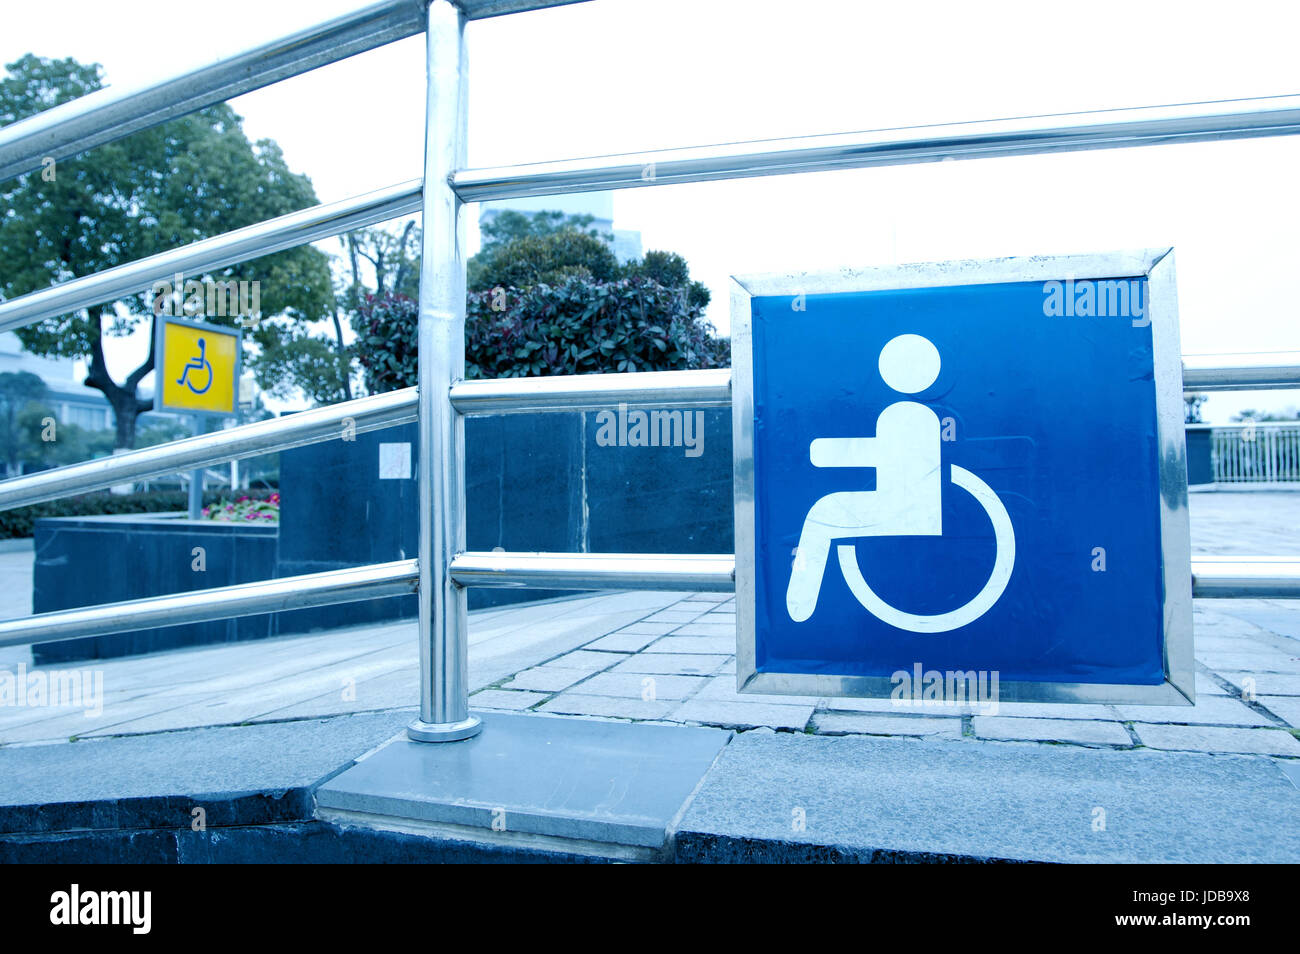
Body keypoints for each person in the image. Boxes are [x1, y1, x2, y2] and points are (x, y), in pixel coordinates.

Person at [786, 333, 943, 622]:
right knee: (826, 510)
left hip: (900, 509)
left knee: (822, 512)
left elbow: (874, 454)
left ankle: (799, 604)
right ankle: (800, 603)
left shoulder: (900, 416)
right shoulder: (924, 415)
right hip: (910, 507)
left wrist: (821, 452)